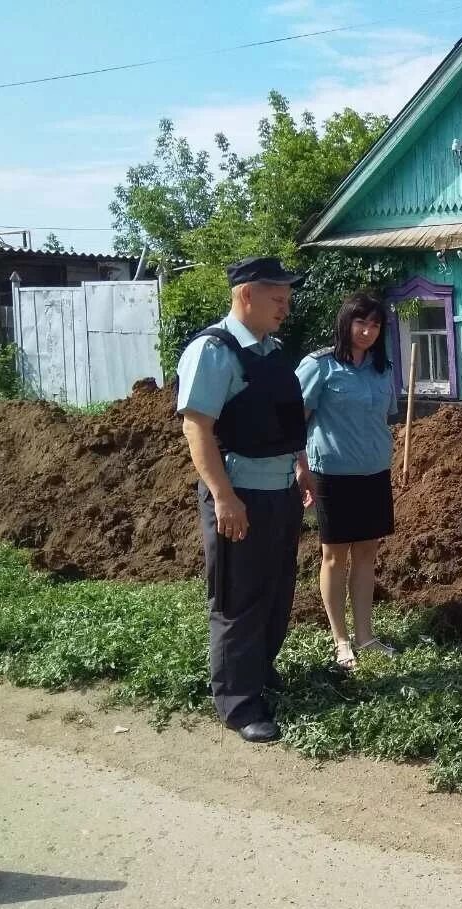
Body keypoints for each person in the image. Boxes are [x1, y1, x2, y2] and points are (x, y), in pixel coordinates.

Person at [176, 255, 313, 745]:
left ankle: (259, 670)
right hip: (240, 494)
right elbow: (198, 428)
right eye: (279, 298)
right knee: (239, 596)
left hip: (278, 490)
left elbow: (283, 421)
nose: (286, 307)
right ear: (247, 295)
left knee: (276, 591)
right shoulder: (214, 351)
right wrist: (224, 497)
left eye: (288, 299)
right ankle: (237, 702)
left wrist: (300, 468)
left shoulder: (271, 351)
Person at [294, 293, 399, 670]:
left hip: (373, 473)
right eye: (360, 323)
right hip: (332, 475)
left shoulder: (381, 368)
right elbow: (295, 421)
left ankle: (365, 635)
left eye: (374, 325)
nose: (367, 331)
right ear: (346, 323)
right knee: (335, 556)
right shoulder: (319, 366)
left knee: (367, 553)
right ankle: (341, 639)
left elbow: (383, 418)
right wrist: (300, 467)